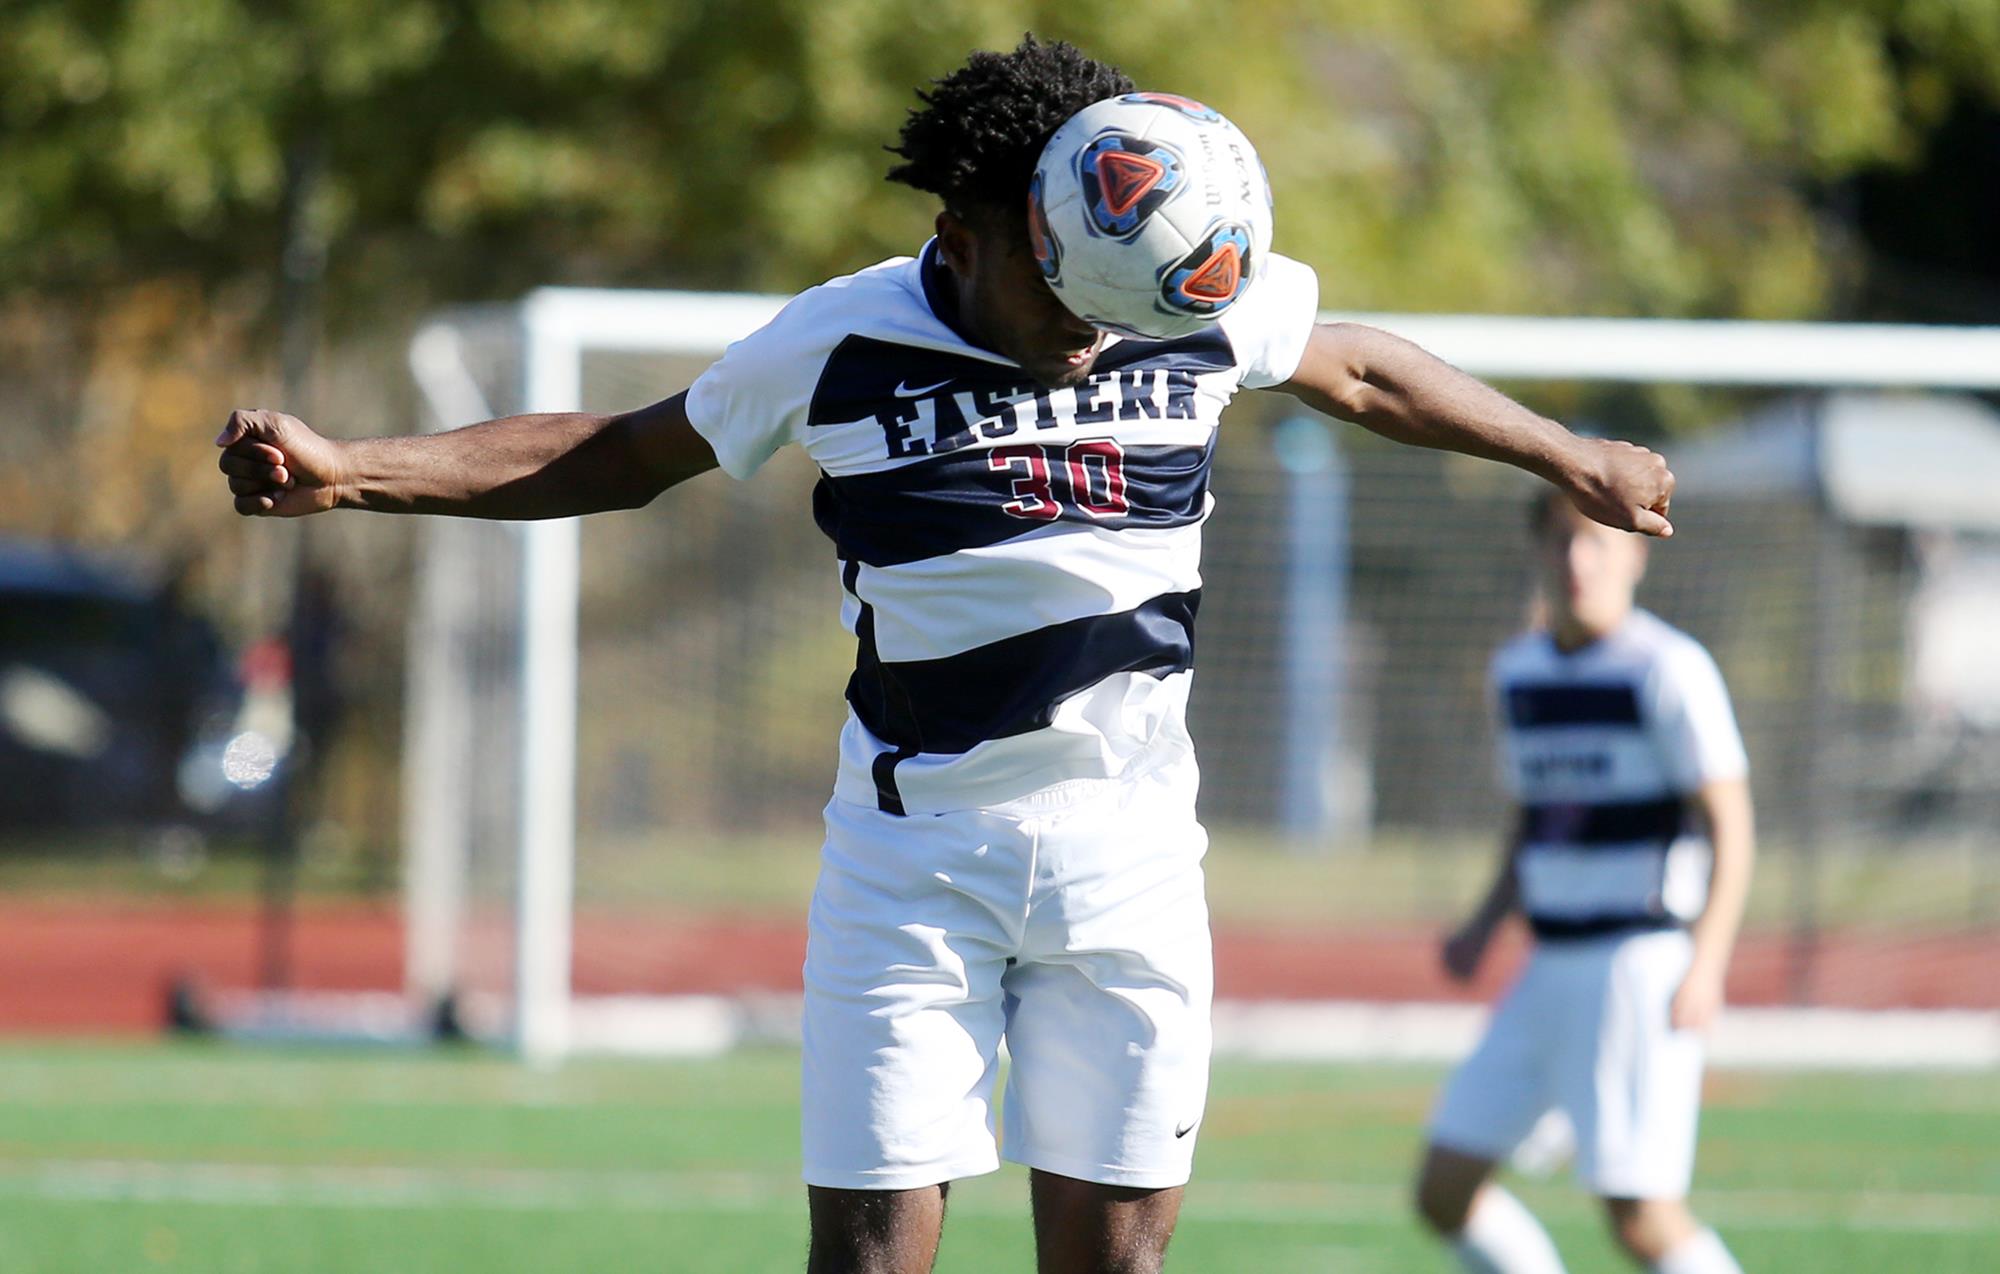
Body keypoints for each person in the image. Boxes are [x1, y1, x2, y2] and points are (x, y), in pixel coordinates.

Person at [215, 35, 1676, 1274]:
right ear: (971, 242)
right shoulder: (839, 340)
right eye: (1060, 290)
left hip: (1135, 859)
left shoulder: (1170, 281)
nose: (1101, 334)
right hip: (913, 863)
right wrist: (352, 471)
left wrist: (1566, 453)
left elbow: (1358, 362)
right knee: (865, 1254)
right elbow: (618, 450)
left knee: (1113, 1255)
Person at [1412, 490, 1754, 1274]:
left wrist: (1707, 963)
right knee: (1445, 1187)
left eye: (1598, 543)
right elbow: (1537, 818)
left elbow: (1731, 825)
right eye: (1562, 540)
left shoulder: (1666, 669)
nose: (1578, 560)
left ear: (1636, 554)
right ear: (1537, 550)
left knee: (1641, 1218)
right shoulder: (1518, 671)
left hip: (1638, 964)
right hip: (1548, 970)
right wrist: (1484, 923)